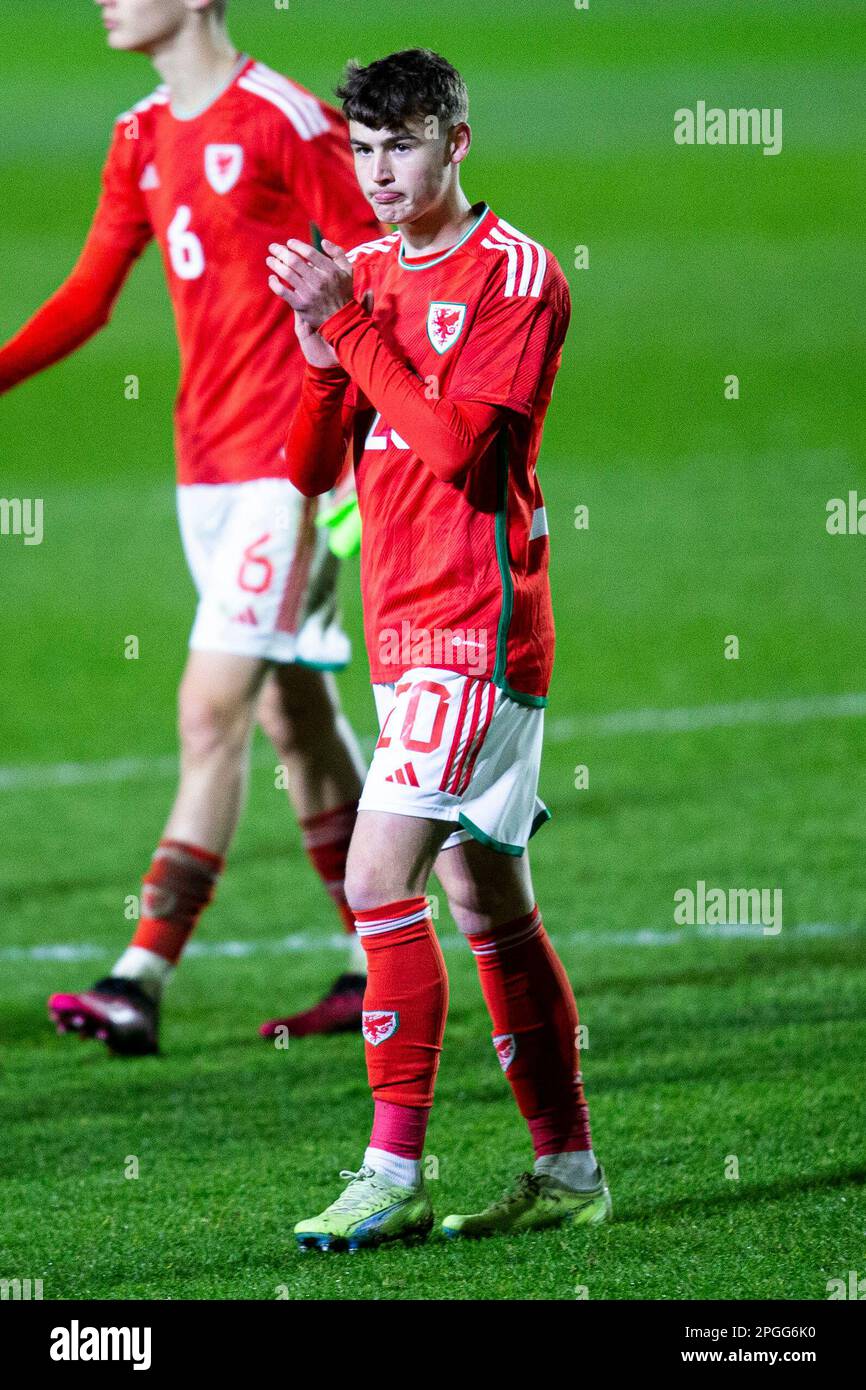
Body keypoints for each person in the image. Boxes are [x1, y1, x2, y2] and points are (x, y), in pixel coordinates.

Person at [266, 47, 611, 1249]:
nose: (378, 174)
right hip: (401, 624)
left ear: (456, 141)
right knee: (486, 898)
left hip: (477, 627)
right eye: (361, 150)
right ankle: (566, 1169)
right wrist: (320, 362)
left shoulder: (517, 276)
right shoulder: (358, 273)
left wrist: (348, 332)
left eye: (401, 146)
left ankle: (390, 1171)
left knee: (377, 883)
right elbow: (318, 467)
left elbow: (459, 449)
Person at [0, 0, 384, 1054]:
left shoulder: (286, 120)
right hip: (204, 469)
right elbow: (88, 293)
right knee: (293, 721)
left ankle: (140, 974)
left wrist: (351, 458)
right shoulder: (138, 135)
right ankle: (378, 964)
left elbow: (372, 278)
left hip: (288, 468)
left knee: (208, 708)